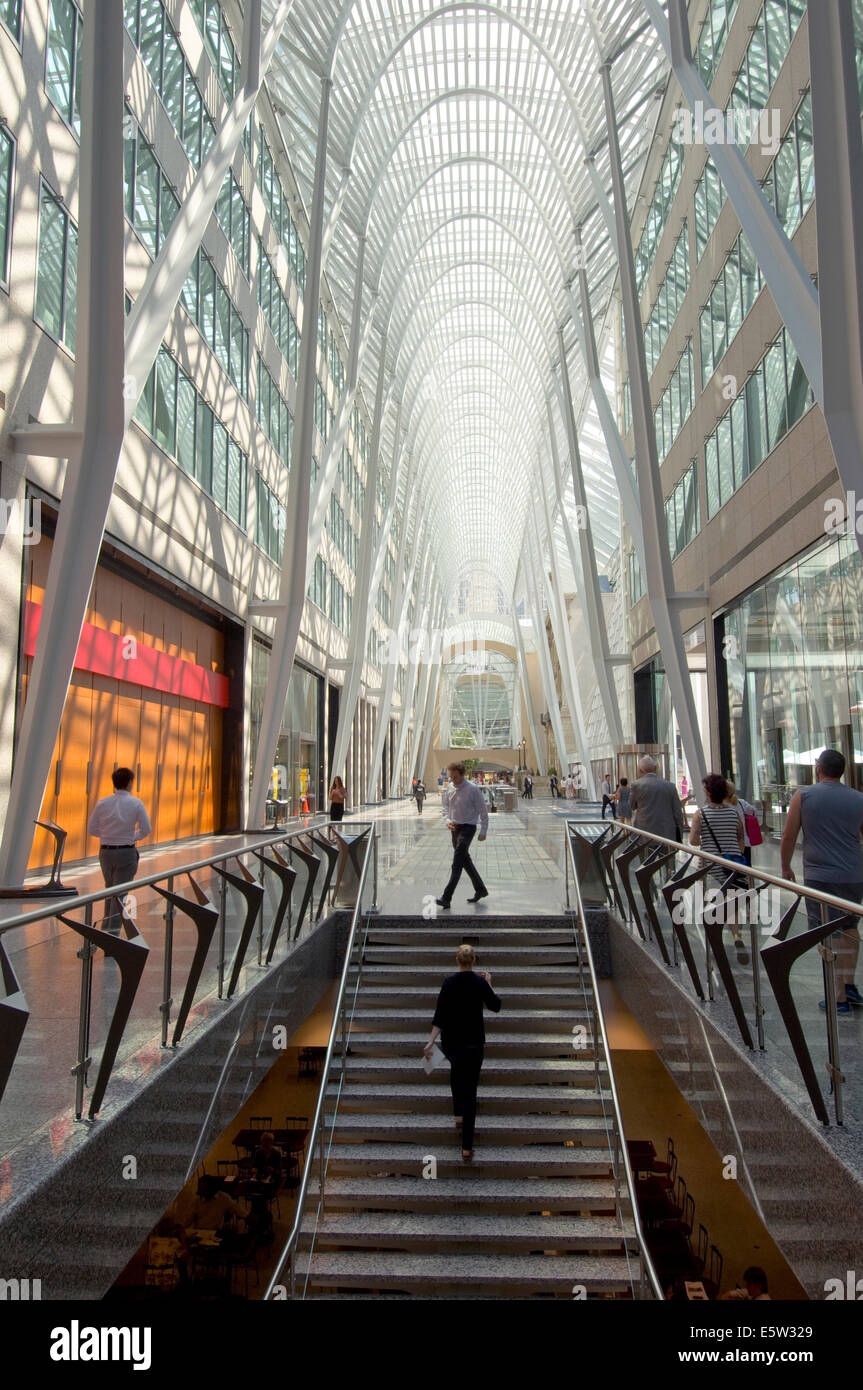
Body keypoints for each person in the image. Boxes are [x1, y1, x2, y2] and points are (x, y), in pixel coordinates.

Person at [781, 749, 863, 1014]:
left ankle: (838, 997)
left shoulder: (803, 796)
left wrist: (786, 867)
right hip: (853, 875)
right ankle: (849, 985)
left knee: (826, 932)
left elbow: (789, 836)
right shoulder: (858, 798)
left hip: (820, 877)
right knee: (850, 927)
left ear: (818, 768)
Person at [424, 943, 502, 1160]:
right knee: (471, 1091)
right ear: (473, 961)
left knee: (456, 1075)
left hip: (452, 1043)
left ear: (457, 961)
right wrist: (489, 984)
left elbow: (440, 1016)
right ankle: (466, 1147)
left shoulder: (448, 983)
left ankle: (458, 1114)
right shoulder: (479, 982)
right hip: (474, 1044)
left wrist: (431, 1041)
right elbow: (496, 1005)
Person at [689, 773, 749, 965]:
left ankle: (715, 943)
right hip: (732, 865)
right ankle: (737, 936)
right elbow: (741, 838)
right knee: (731, 903)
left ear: (708, 792)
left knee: (711, 905)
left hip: (710, 866)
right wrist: (735, 853)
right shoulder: (733, 812)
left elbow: (693, 840)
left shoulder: (701, 814)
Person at [87, 767, 151, 929]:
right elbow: (146, 829)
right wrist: (130, 836)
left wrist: (109, 835)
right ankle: (112, 936)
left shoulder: (103, 803)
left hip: (106, 852)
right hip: (126, 852)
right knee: (120, 894)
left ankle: (105, 929)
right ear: (130, 783)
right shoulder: (136, 803)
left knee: (109, 890)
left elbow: (92, 829)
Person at [436, 761, 489, 908]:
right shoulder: (450, 788)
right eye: (451, 777)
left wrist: (483, 830)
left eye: (456, 777)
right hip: (455, 828)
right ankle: (481, 889)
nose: (453, 779)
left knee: (457, 862)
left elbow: (483, 811)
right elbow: (445, 807)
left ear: (462, 775)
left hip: (468, 828)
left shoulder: (473, 789)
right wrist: (447, 820)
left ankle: (447, 897)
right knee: (465, 861)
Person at [629, 755, 686, 843]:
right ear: (656, 768)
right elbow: (677, 812)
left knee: (646, 856)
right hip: (666, 834)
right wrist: (680, 832)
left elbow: (632, 806)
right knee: (667, 856)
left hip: (644, 833)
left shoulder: (636, 785)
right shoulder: (670, 786)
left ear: (640, 770)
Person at [725, 780, 758, 867]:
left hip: (729, 843)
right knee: (746, 866)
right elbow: (753, 811)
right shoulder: (741, 802)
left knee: (731, 868)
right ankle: (748, 880)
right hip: (745, 841)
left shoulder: (722, 805)